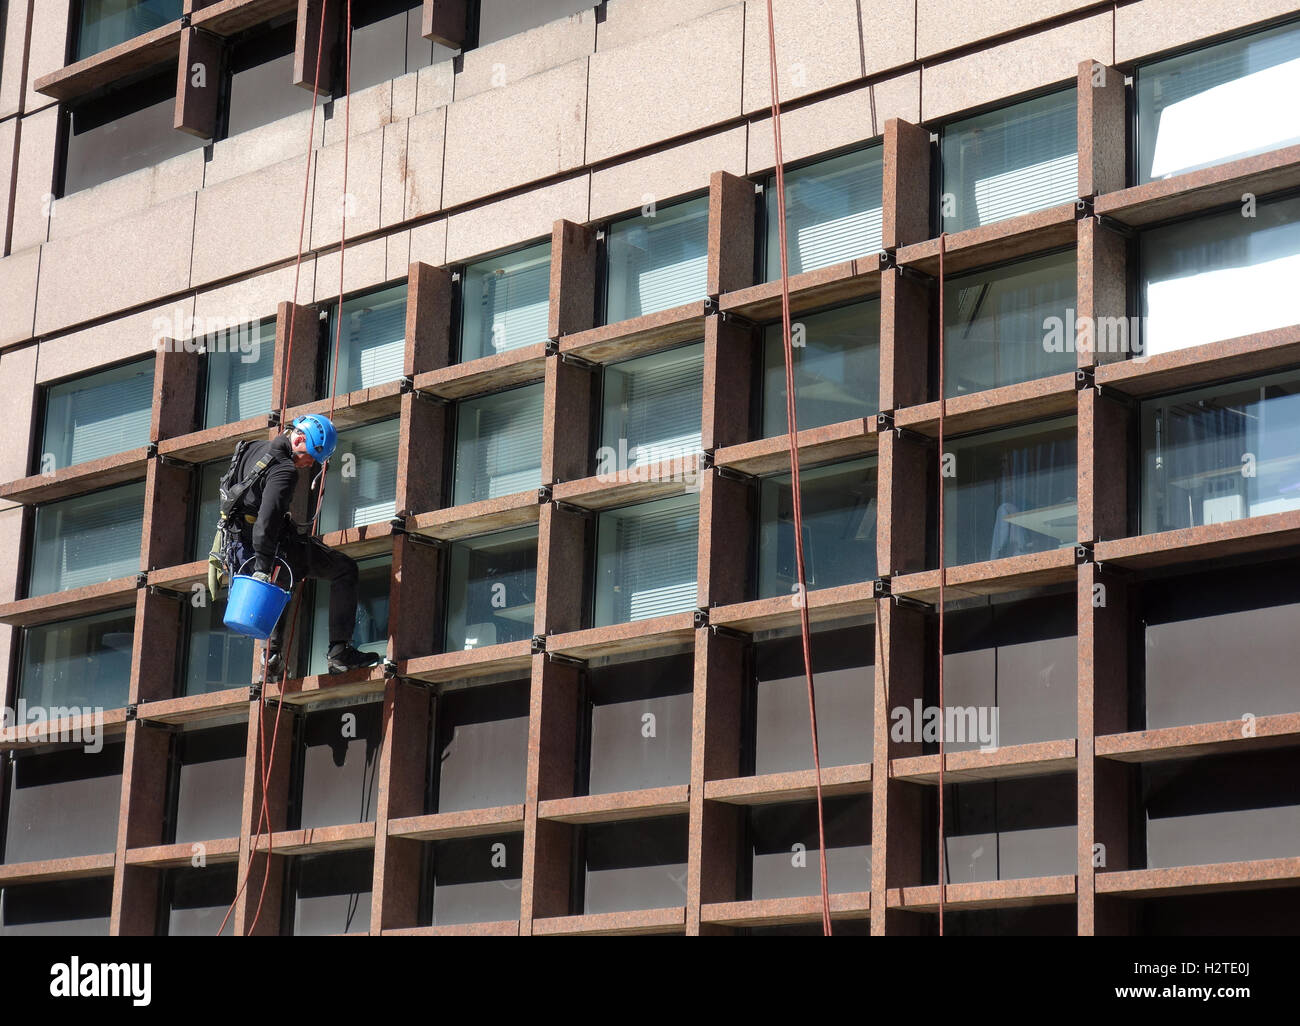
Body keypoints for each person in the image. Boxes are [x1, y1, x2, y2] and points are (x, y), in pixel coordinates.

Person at [207, 414, 382, 679]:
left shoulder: (253, 448)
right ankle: (339, 653)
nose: (309, 463)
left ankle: (273, 655)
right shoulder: (284, 471)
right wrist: (263, 569)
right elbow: (266, 523)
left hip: (238, 543)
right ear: (298, 438)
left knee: (284, 579)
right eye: (310, 456)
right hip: (265, 546)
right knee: (344, 569)